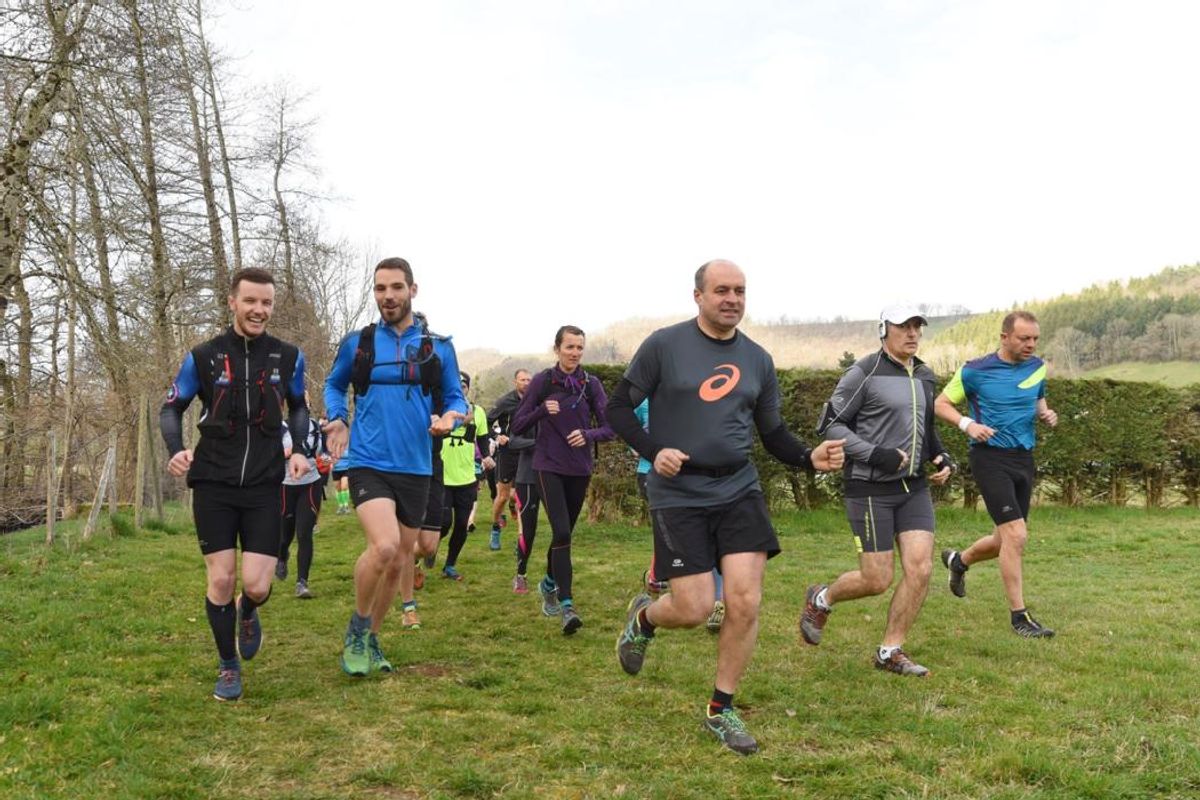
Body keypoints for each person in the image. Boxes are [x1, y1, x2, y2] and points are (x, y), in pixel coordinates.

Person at [607, 259, 844, 755]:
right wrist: (654, 451)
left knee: (744, 601)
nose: (732, 298)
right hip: (677, 495)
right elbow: (618, 407)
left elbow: (773, 432)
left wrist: (807, 458)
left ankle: (721, 708)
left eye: (739, 290)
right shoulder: (663, 346)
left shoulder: (758, 359)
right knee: (693, 608)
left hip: (739, 490)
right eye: (721, 290)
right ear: (698, 296)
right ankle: (646, 620)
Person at [160, 267, 310, 701]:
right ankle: (228, 665)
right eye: (251, 301)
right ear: (232, 302)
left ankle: (248, 611)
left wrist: (298, 448)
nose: (259, 310)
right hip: (214, 482)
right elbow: (171, 407)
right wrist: (175, 447)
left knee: (257, 585)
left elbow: (299, 407)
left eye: (266, 303)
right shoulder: (204, 355)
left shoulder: (287, 356)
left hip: (265, 481)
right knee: (221, 580)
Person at [324, 257, 467, 676]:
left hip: (417, 466)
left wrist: (449, 416)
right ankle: (357, 628)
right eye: (380, 288)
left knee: (401, 558)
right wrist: (339, 417)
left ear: (412, 290)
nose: (388, 296)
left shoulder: (438, 347)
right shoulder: (359, 343)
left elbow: (455, 395)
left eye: (396, 288)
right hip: (368, 460)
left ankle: (371, 639)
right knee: (384, 547)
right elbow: (335, 384)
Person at [799, 308, 954, 677]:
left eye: (917, 327)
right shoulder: (864, 371)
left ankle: (890, 650)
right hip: (869, 488)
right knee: (877, 579)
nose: (913, 334)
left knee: (921, 568)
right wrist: (875, 455)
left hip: (913, 488)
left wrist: (940, 454)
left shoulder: (926, 374)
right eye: (904, 326)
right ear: (884, 330)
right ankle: (822, 598)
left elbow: (925, 428)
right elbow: (831, 426)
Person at [934, 310, 1058, 638]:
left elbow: (1037, 398)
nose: (1031, 344)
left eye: (1034, 339)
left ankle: (959, 561)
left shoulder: (1037, 367)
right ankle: (1020, 617)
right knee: (1016, 536)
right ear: (1004, 337)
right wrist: (968, 424)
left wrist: (1045, 413)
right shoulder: (975, 371)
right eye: (1023, 338)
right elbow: (941, 403)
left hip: (1023, 458)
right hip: (989, 460)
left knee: (1003, 539)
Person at [510, 325, 615, 634]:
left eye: (580, 348)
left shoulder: (591, 384)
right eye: (569, 347)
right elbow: (517, 424)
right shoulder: (543, 381)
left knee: (563, 534)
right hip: (548, 465)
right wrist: (542, 410)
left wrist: (588, 434)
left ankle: (548, 582)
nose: (575, 353)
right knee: (561, 531)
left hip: (579, 468)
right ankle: (567, 606)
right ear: (556, 349)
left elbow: (611, 427)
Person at [635, 398, 725, 633]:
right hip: (651, 475)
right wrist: (648, 450)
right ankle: (658, 575)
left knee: (713, 538)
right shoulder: (643, 401)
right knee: (679, 536)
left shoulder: (697, 394)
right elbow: (625, 427)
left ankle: (717, 604)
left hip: (697, 477)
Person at [437, 372, 494, 580]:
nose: (460, 388)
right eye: (456, 384)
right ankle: (425, 550)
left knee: (462, 525)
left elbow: (483, 439)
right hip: (442, 477)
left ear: (468, 388)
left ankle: (450, 565)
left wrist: (487, 457)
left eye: (464, 385)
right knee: (443, 523)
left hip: (467, 478)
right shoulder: (439, 410)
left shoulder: (478, 412)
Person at [277, 410, 333, 599]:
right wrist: (286, 454)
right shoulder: (281, 427)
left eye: (305, 404)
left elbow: (325, 453)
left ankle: (302, 582)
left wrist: (327, 459)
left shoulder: (317, 429)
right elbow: (269, 453)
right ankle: (282, 556)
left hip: (310, 484)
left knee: (304, 534)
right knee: (285, 535)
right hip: (286, 485)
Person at [487, 369, 532, 549]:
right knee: (504, 496)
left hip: (527, 451)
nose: (527, 383)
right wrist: (497, 436)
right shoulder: (505, 401)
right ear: (515, 382)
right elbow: (486, 422)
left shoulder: (536, 400)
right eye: (523, 380)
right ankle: (496, 528)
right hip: (507, 452)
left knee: (522, 497)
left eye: (529, 380)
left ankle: (521, 540)